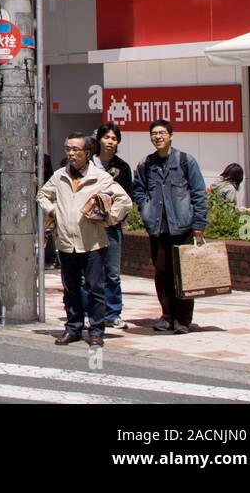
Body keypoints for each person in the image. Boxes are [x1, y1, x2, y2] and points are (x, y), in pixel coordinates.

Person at [39, 133, 132, 347]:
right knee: (70, 289)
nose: (71, 153)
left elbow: (125, 201)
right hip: (66, 243)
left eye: (75, 150)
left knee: (95, 289)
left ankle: (97, 330)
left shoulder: (100, 177)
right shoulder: (59, 176)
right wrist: (54, 211)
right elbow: (42, 195)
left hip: (92, 243)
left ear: (87, 153)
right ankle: (73, 328)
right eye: (68, 149)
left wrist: (108, 218)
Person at [131, 120, 208, 334]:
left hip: (182, 228)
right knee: (162, 273)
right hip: (157, 229)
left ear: (171, 135)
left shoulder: (185, 161)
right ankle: (167, 316)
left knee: (184, 274)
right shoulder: (146, 164)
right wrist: (145, 208)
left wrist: (199, 223)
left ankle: (182, 320)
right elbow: (137, 189)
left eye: (162, 133)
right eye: (154, 133)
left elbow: (199, 193)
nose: (158, 137)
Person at [87, 123, 134, 330]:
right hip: (88, 225)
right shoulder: (87, 164)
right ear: (99, 140)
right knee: (89, 271)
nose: (110, 141)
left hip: (112, 225)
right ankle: (91, 312)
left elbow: (128, 197)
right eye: (106, 137)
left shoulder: (122, 167)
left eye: (114, 138)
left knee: (112, 272)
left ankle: (113, 313)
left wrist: (113, 216)